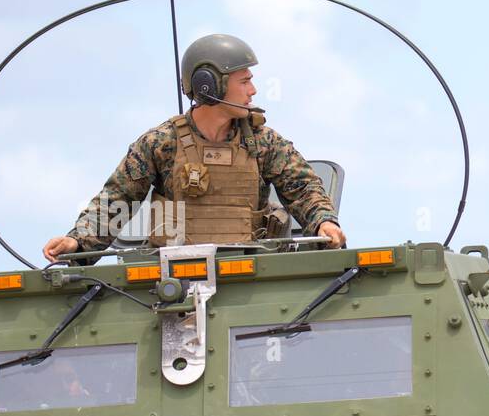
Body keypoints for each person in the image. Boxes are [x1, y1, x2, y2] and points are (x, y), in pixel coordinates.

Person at [43, 34, 346, 261]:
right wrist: (77, 241)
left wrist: (324, 223)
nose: (252, 91)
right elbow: (117, 199)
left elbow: (304, 189)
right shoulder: (161, 143)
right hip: (172, 277)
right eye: (245, 81)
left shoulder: (263, 143)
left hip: (249, 274)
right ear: (210, 85)